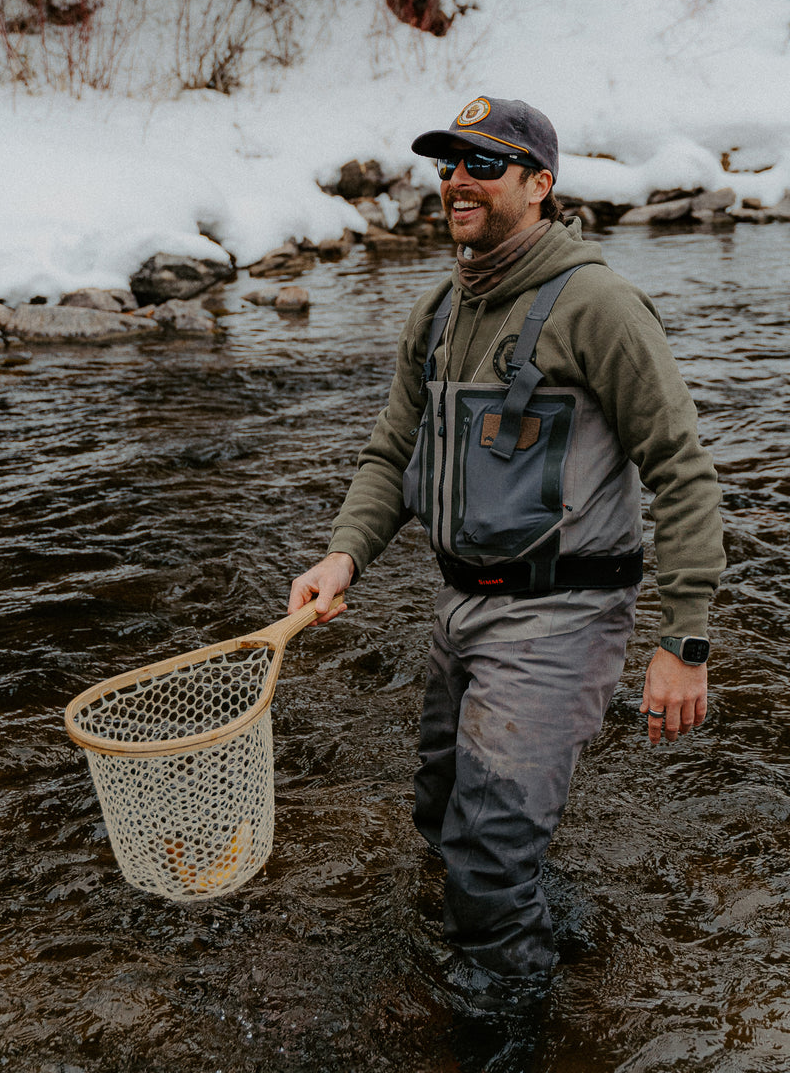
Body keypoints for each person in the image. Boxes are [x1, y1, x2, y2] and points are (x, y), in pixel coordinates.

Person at [288, 95, 726, 1015]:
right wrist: (345, 556)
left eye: (484, 164)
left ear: (541, 185)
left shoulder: (601, 306)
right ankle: (539, 928)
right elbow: (390, 454)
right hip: (460, 610)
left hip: (561, 616)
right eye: (449, 162)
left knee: (484, 854)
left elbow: (682, 472)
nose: (457, 180)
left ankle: (506, 1024)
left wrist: (684, 642)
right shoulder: (441, 308)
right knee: (441, 817)